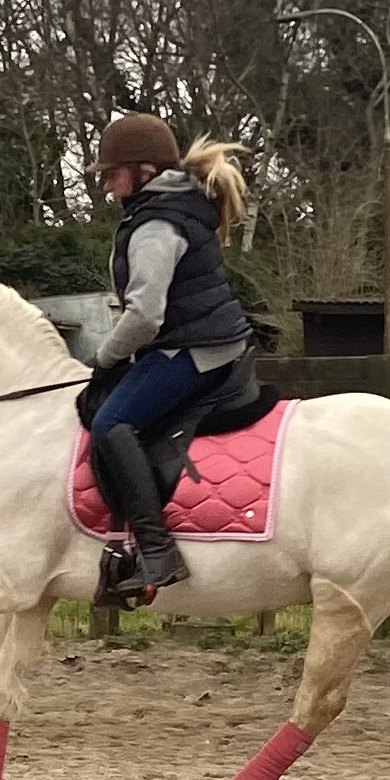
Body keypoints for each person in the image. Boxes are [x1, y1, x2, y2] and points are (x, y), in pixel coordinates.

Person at [87, 111, 253, 597]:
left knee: (110, 423)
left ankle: (158, 551)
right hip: (206, 341)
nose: (109, 186)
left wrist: (103, 357)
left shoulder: (157, 224)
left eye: (114, 173)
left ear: (146, 171)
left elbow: (143, 317)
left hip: (194, 349)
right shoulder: (175, 209)